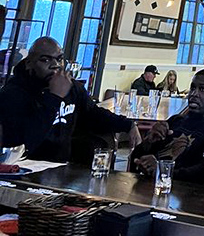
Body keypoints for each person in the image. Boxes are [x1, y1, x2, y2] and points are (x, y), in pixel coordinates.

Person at [0, 37, 141, 162]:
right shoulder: (14, 93)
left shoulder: (72, 88)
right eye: (45, 60)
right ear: (29, 63)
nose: (54, 65)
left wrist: (128, 125)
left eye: (59, 59)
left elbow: (93, 113)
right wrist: (54, 97)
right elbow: (23, 138)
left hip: (61, 164)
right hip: (25, 165)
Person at [131, 70, 204, 183]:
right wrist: (149, 142)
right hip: (151, 188)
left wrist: (162, 170)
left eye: (202, 89)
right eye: (193, 88)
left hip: (187, 195)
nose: (194, 94)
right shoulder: (176, 121)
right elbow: (136, 157)